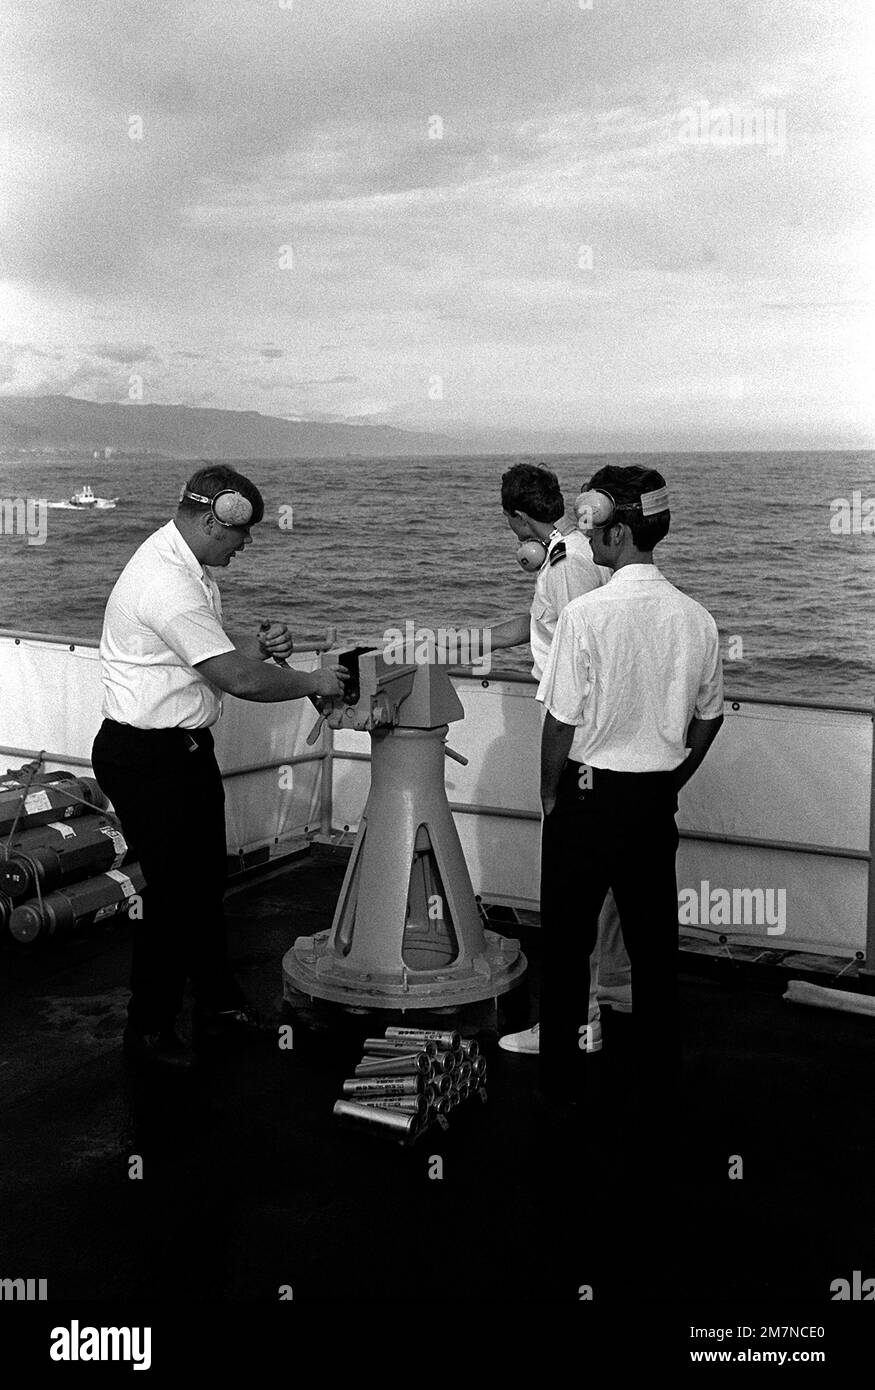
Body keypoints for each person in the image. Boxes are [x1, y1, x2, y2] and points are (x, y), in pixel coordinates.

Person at [91, 464, 347, 1070]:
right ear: (212, 521)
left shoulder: (188, 568)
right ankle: (148, 1031)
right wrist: (314, 679)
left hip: (180, 753)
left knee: (203, 884)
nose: (246, 543)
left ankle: (218, 1006)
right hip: (146, 757)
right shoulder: (167, 583)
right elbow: (235, 680)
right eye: (241, 533)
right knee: (176, 893)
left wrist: (256, 652)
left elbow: (211, 663)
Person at [536, 464, 724, 1108]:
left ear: (613, 533)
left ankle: (558, 1086)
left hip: (586, 799)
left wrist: (550, 796)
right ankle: (658, 1090)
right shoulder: (696, 617)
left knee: (564, 949)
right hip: (650, 804)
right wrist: (673, 779)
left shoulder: (585, 615)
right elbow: (709, 715)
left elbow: (560, 721)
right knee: (653, 951)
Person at [482, 462, 633, 1055]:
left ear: (516, 516)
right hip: (608, 738)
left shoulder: (566, 565)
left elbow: (578, 656)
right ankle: (608, 1000)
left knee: (577, 891)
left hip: (583, 739)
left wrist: (555, 777)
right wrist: (460, 641)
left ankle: (577, 1025)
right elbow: (542, 625)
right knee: (609, 885)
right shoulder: (569, 553)